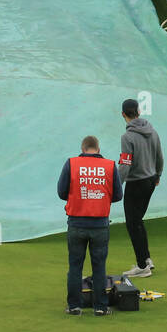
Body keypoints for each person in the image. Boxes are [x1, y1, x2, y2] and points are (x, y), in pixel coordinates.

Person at [58, 135, 124, 316]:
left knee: (75, 267)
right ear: (98, 149)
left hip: (76, 223)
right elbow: (118, 195)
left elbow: (61, 192)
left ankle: (74, 306)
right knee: (99, 267)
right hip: (100, 224)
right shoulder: (110, 166)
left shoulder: (71, 163)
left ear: (82, 149)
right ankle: (101, 307)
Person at [118, 98, 163, 278]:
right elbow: (160, 156)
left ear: (123, 115)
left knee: (132, 222)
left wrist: (116, 185)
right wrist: (158, 175)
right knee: (138, 221)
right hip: (151, 181)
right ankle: (146, 259)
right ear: (139, 112)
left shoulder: (127, 137)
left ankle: (141, 265)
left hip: (136, 183)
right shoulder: (153, 131)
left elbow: (125, 165)